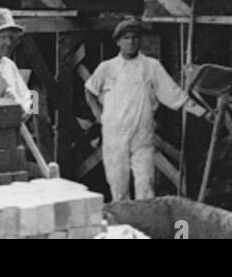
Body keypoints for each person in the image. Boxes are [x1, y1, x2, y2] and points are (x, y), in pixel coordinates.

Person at [84, 18, 206, 201]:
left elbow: (173, 94)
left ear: (139, 40)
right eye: (126, 38)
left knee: (145, 182)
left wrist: (201, 112)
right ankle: (123, 224)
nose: (131, 41)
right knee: (118, 182)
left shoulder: (151, 66)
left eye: (135, 37)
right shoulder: (107, 68)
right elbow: (89, 90)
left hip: (142, 134)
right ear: (118, 42)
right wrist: (97, 114)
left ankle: (145, 223)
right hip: (114, 134)